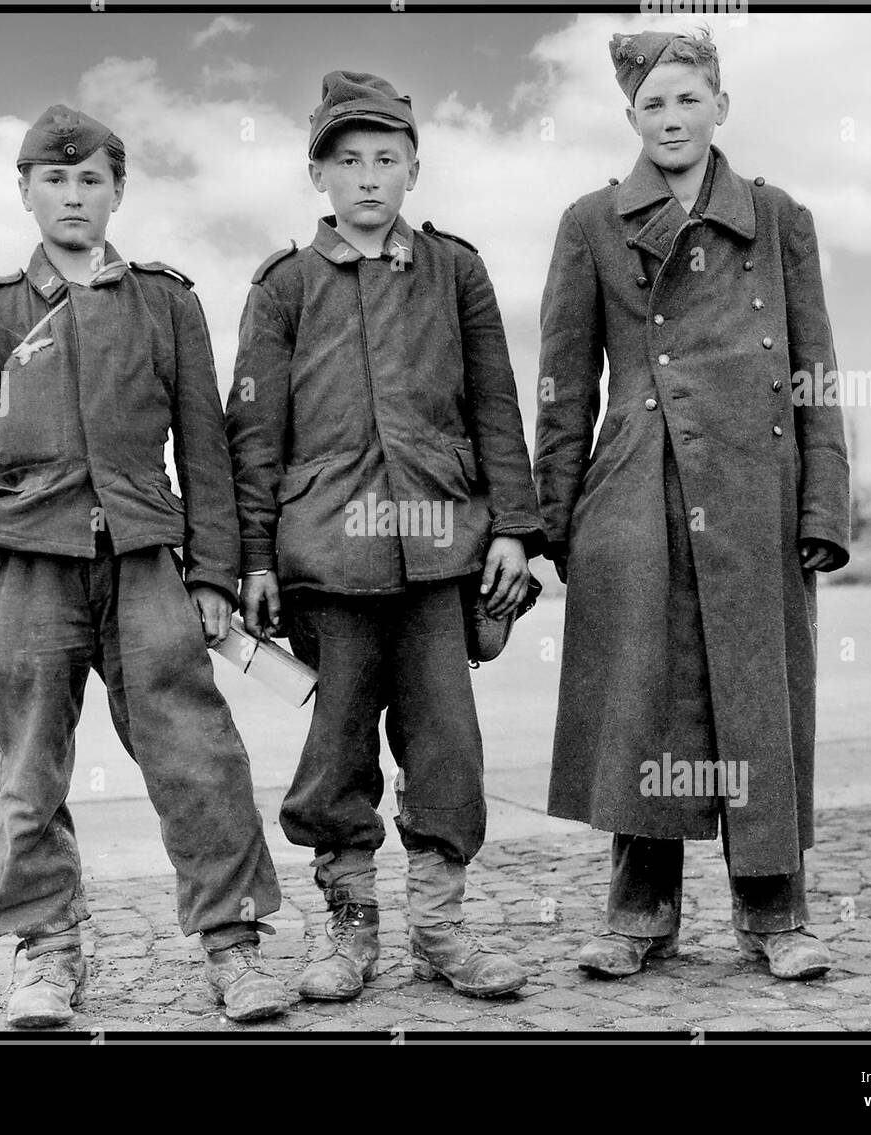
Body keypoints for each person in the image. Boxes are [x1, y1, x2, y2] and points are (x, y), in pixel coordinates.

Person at [0, 104, 288, 1026]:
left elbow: (207, 450)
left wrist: (211, 576)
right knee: (30, 769)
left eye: (92, 181)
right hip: (25, 570)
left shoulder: (166, 303)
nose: (74, 196)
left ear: (118, 192)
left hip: (147, 561)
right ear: (25, 191)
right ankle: (45, 955)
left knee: (200, 756)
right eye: (55, 179)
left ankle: (235, 947)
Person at [534, 30, 850, 981]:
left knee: (761, 703)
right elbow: (561, 382)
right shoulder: (590, 221)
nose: (672, 119)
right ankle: (638, 914)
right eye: (653, 106)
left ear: (721, 104)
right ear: (630, 117)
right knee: (647, 703)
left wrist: (823, 505)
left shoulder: (780, 216)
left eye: (688, 100)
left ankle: (775, 916)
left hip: (760, 487)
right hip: (639, 486)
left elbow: (814, 370)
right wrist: (553, 518)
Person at [227, 71, 547, 1001]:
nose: (369, 178)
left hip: (445, 549)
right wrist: (253, 556)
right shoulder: (283, 287)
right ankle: (348, 932)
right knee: (336, 751)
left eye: (387, 159)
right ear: (318, 174)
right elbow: (252, 432)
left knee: (447, 743)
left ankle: (442, 931)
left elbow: (497, 406)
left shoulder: (458, 271)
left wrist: (514, 531)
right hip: (328, 556)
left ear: (414, 168)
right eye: (348, 161)